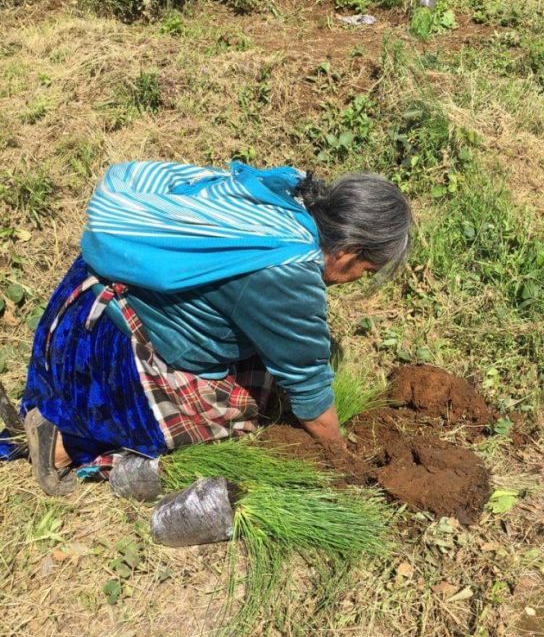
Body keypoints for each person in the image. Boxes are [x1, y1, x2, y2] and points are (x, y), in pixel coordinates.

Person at [3, 161, 412, 497]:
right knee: (235, 412)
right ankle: (61, 447)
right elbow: (307, 381)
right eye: (366, 270)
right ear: (350, 252)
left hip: (81, 304)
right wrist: (339, 451)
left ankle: (51, 414)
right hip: (115, 353)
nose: (358, 280)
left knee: (257, 364)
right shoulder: (288, 272)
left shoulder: (282, 198)